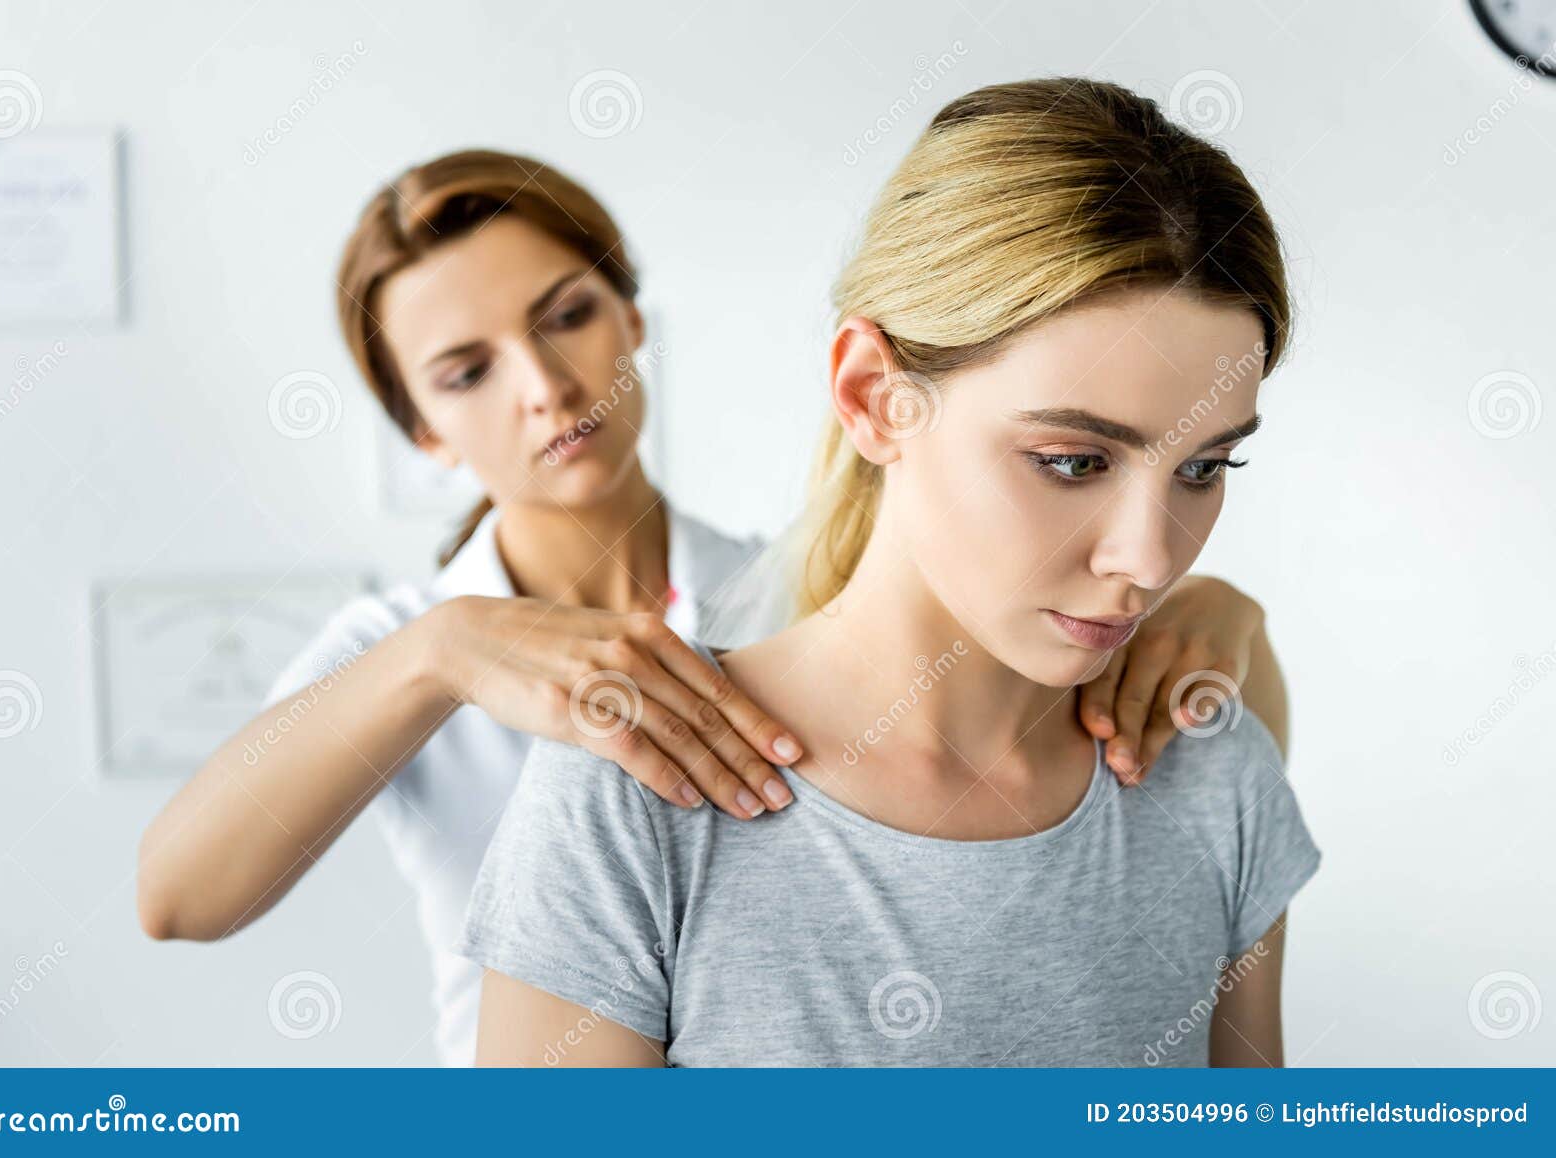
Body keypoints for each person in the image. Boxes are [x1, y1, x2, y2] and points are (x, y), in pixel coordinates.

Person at [138, 142, 1291, 1067]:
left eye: (565, 315)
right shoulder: (399, 656)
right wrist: (441, 656)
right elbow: (178, 898)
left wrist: (1225, 618)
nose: (546, 388)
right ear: (422, 430)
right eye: (466, 371)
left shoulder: (800, 584)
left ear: (631, 317)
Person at [459, 78, 1321, 1067]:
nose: (1150, 557)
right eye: (1074, 462)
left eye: (1203, 468)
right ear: (874, 398)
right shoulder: (635, 795)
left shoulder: (1210, 776)